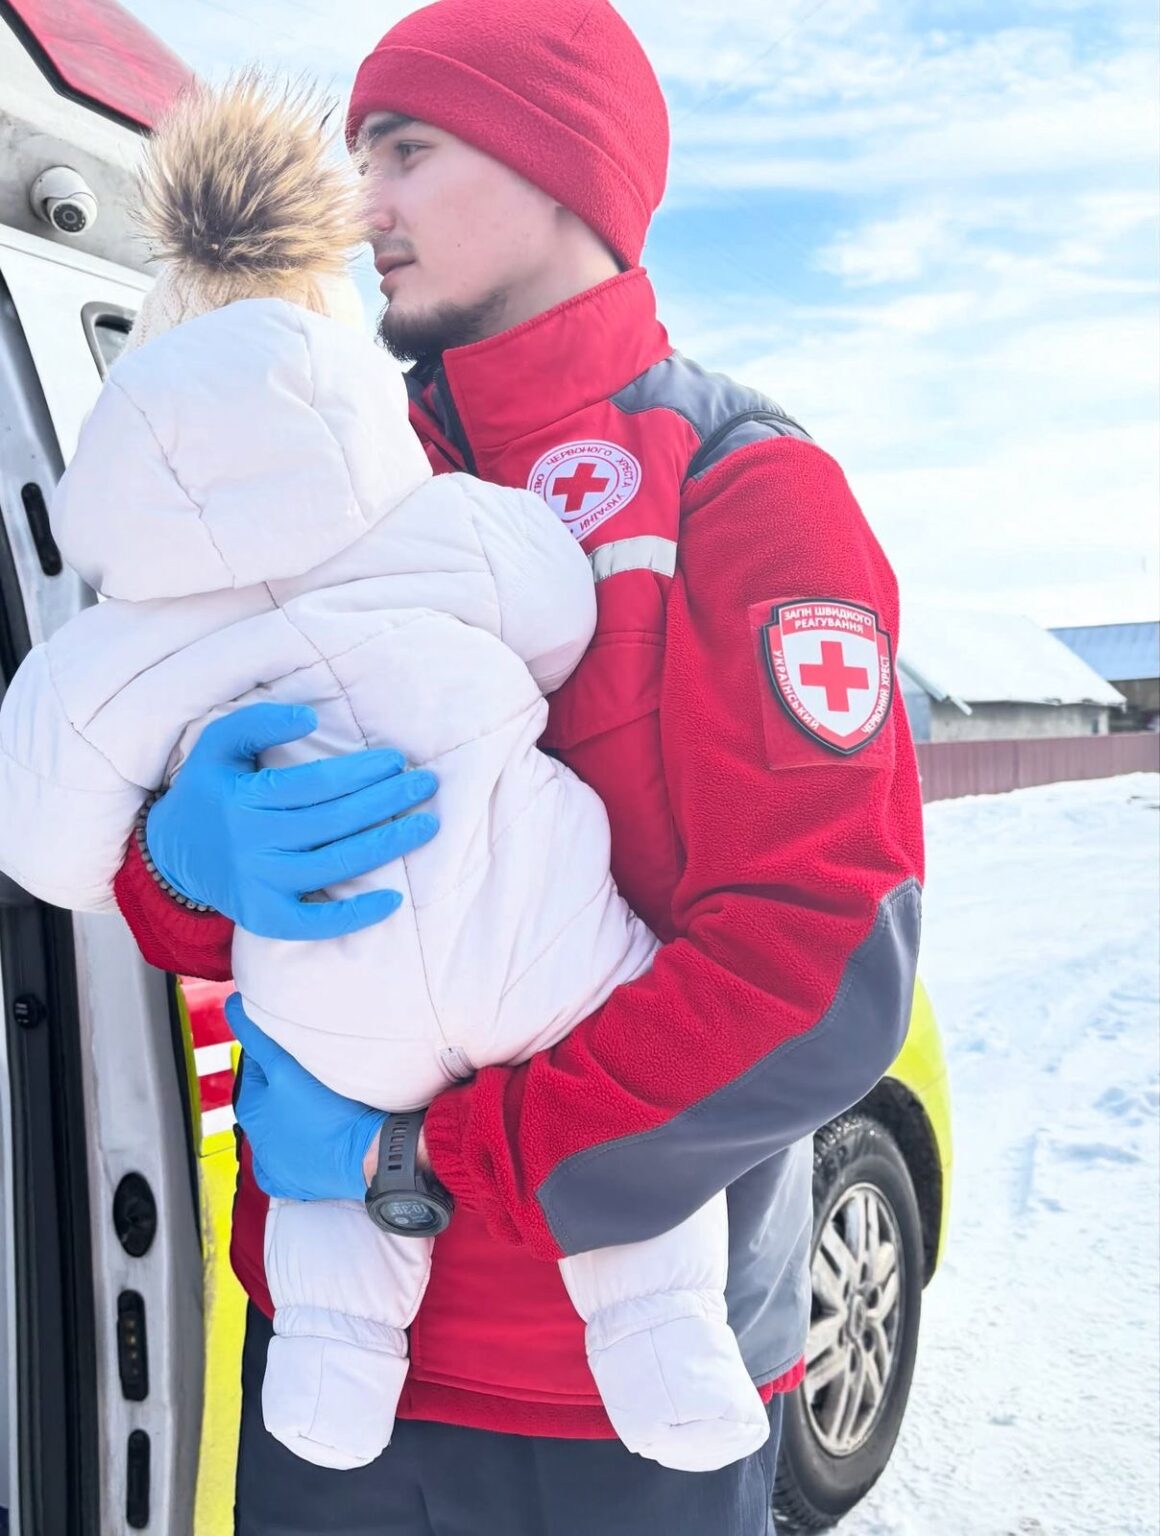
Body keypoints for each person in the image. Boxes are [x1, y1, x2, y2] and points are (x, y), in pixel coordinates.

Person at [26, 2, 926, 1531]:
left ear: (565, 168)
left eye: (408, 149)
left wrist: (420, 1157)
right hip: (333, 1389)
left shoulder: (745, 491)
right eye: (358, 148)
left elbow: (818, 974)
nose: (360, 198)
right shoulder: (312, 455)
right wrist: (186, 860)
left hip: (626, 1407)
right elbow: (190, 901)